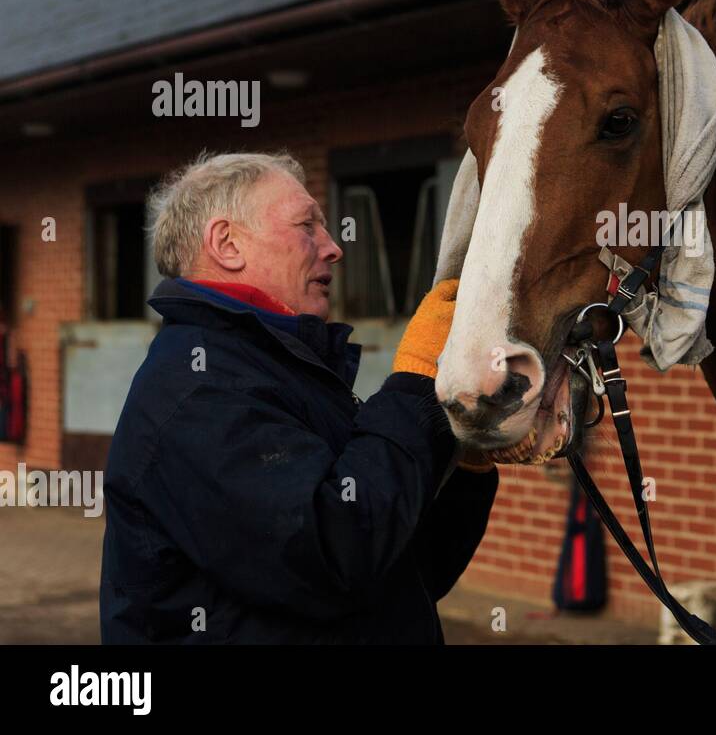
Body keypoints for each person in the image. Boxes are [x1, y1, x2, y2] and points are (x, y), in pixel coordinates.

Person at [100, 151, 495, 643]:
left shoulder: (278, 371)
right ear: (227, 244)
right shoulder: (199, 392)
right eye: (307, 225)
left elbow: (405, 572)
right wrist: (416, 382)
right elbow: (333, 553)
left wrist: (467, 454)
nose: (334, 248)